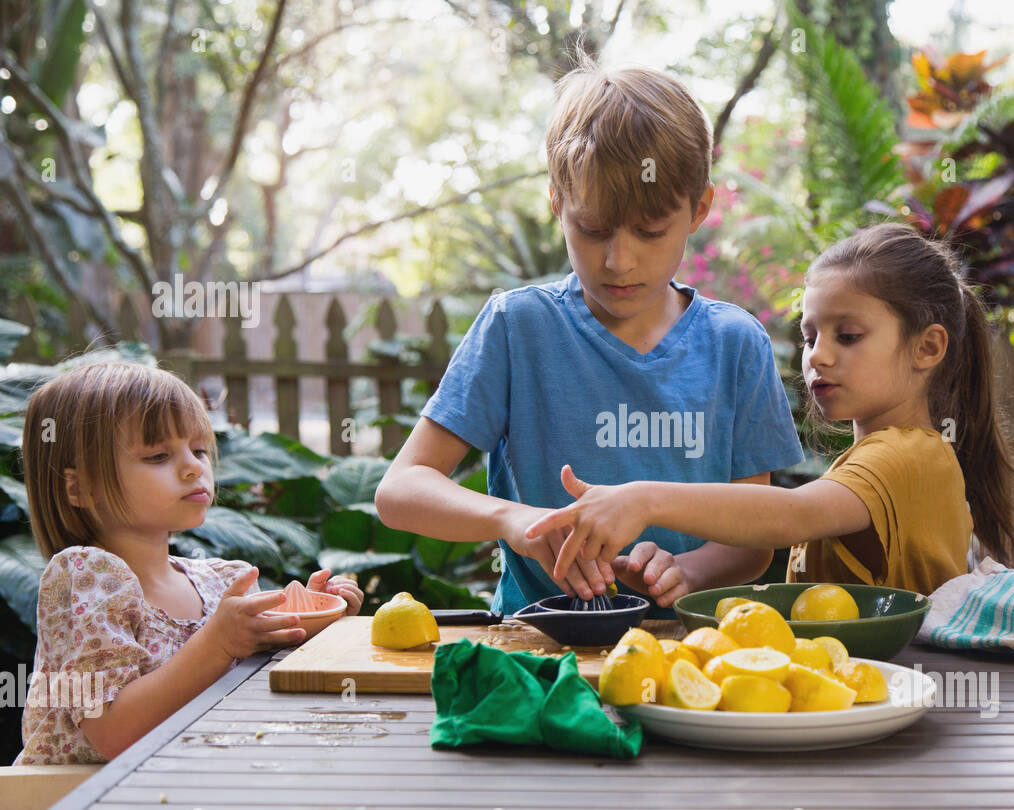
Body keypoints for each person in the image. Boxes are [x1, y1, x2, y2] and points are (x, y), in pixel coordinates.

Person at [375, 61, 804, 618]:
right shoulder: (517, 328)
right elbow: (401, 489)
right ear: (557, 204)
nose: (618, 261)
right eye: (593, 229)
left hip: (690, 652)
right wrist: (516, 520)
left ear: (699, 210)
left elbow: (755, 532)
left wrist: (690, 570)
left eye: (650, 232)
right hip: (537, 650)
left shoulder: (735, 343)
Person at [526, 222, 1014, 597]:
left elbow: (791, 515)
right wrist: (686, 572)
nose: (819, 356)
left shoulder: (906, 456)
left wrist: (643, 500)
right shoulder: (879, 458)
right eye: (810, 337)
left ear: (928, 347)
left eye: (848, 336)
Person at [15, 362, 363, 764]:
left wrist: (311, 619)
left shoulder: (220, 581)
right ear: (80, 488)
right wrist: (218, 643)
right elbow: (114, 734)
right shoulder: (84, 579)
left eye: (198, 449)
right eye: (159, 455)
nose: (195, 466)